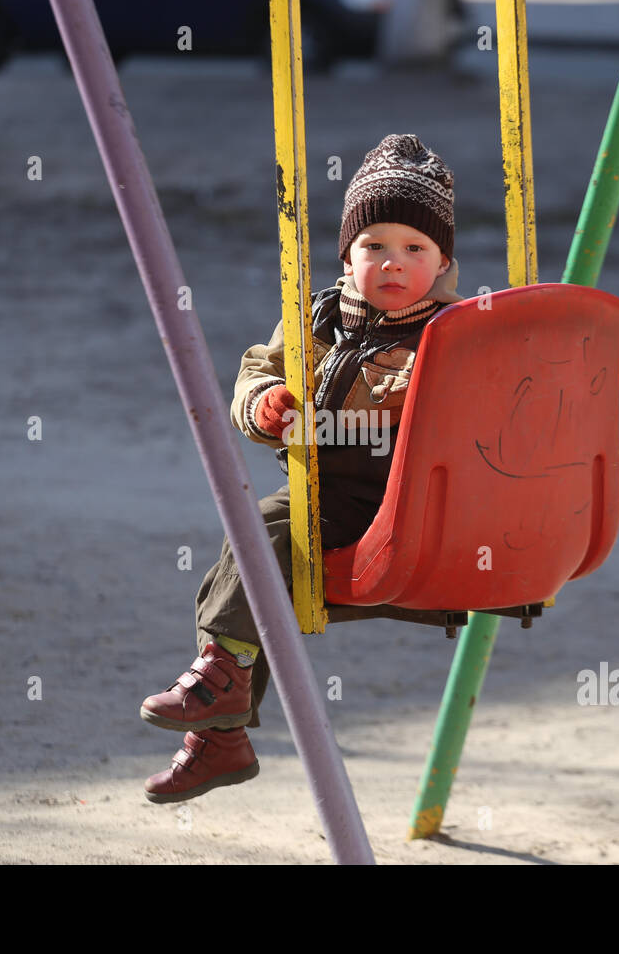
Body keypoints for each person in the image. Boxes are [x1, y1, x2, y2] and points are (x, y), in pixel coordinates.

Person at [140, 133, 464, 803]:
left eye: (414, 249)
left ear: (442, 262)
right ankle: (220, 729)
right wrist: (264, 406)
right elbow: (260, 368)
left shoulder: (448, 333)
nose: (393, 264)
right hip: (328, 495)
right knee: (254, 545)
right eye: (374, 247)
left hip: (406, 504)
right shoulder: (317, 316)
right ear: (348, 255)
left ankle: (219, 705)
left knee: (262, 533)